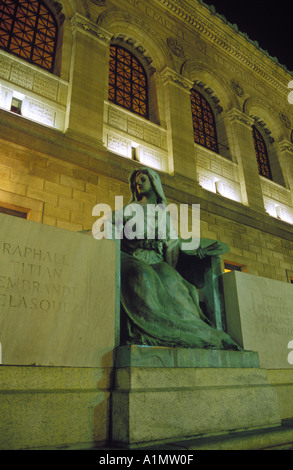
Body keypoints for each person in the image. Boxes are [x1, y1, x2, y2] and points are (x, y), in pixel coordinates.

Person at [113, 167, 239, 350]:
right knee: (143, 276)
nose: (137, 184)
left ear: (154, 183)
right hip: (132, 258)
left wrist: (194, 251)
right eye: (136, 182)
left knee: (174, 283)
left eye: (142, 180)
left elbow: (173, 244)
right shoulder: (130, 209)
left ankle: (201, 332)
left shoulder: (163, 215)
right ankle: (158, 330)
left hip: (157, 262)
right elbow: (109, 225)